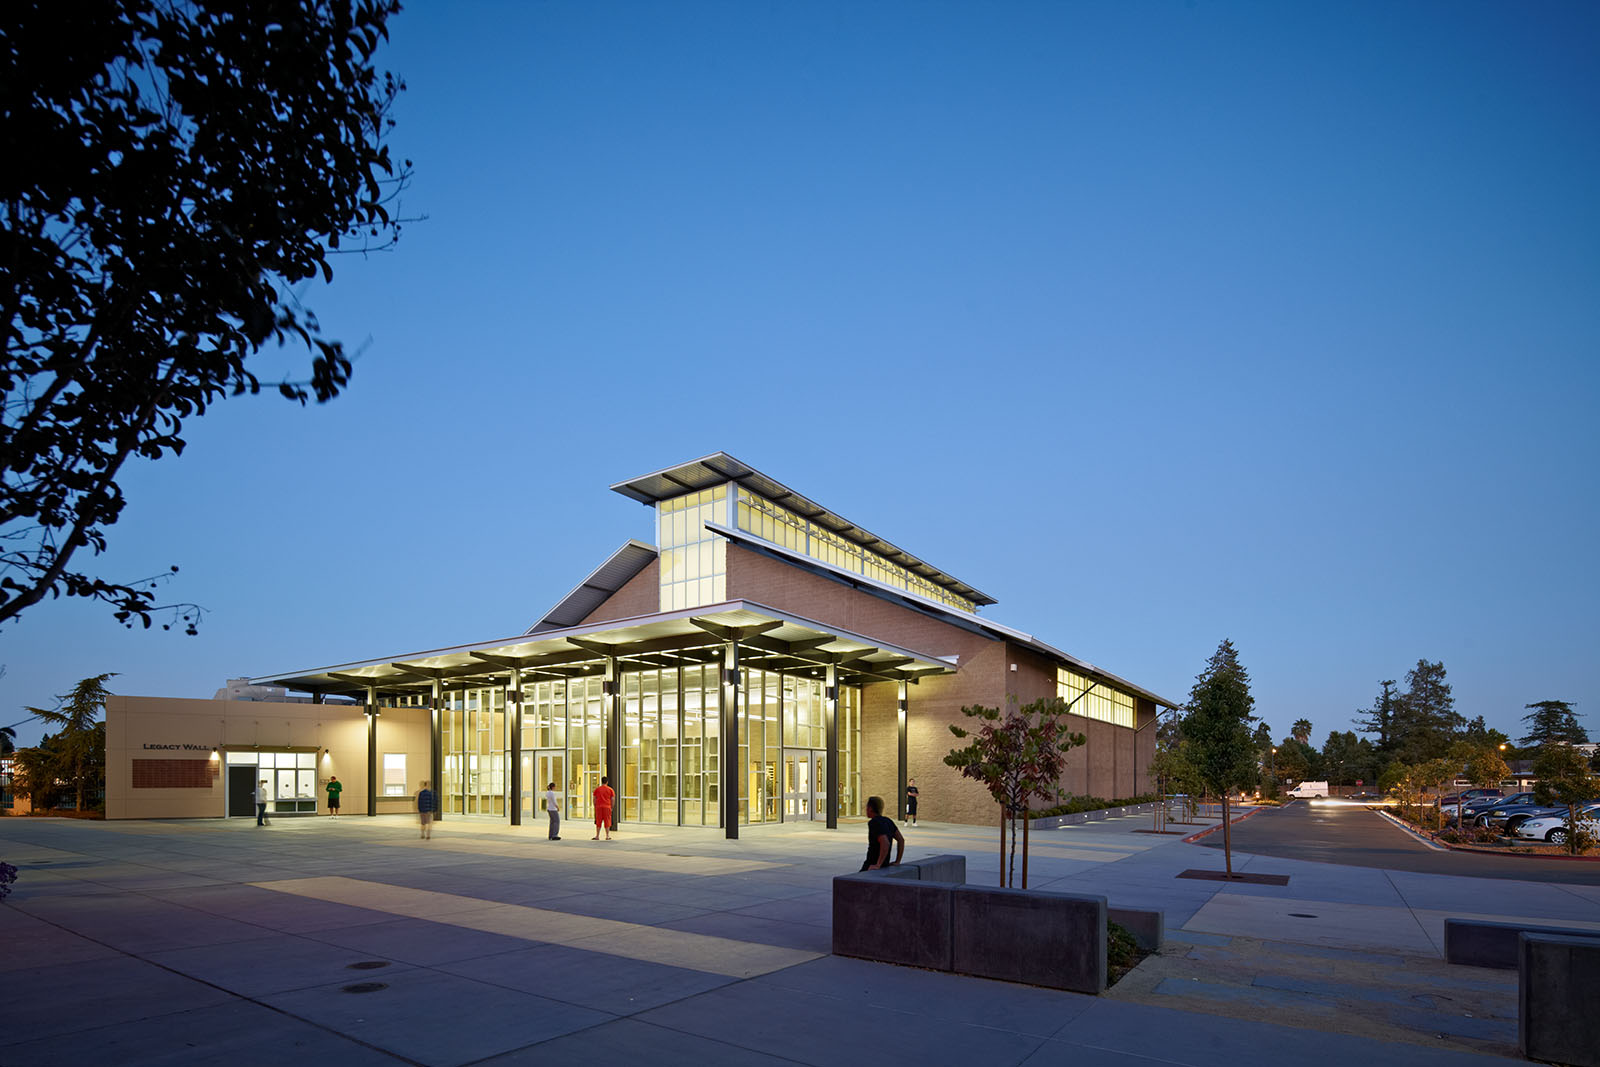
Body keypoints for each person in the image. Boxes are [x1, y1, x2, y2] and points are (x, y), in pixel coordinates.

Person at [861, 794, 904, 871]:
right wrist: (897, 861)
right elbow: (901, 840)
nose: (866, 809)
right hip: (885, 865)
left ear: (870, 808)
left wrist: (878, 865)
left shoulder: (874, 822)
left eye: (867, 807)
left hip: (872, 864)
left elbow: (885, 843)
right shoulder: (888, 821)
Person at [592, 775, 614, 840]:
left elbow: (594, 798)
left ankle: (597, 836)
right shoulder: (610, 790)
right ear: (607, 782)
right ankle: (607, 836)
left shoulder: (597, 789)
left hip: (599, 807)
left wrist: (595, 806)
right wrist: (611, 807)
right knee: (607, 821)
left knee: (598, 821)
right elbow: (612, 799)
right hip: (607, 807)